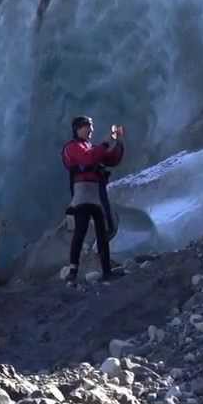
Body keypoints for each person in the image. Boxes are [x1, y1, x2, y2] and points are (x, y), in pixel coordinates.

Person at [61, 116, 126, 284]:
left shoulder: (90, 147)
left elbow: (111, 159)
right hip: (82, 195)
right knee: (80, 231)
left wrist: (118, 142)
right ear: (77, 129)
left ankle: (106, 272)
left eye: (91, 127)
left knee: (102, 234)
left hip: (95, 195)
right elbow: (87, 159)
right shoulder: (71, 147)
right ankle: (73, 272)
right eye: (86, 127)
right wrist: (104, 144)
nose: (90, 130)